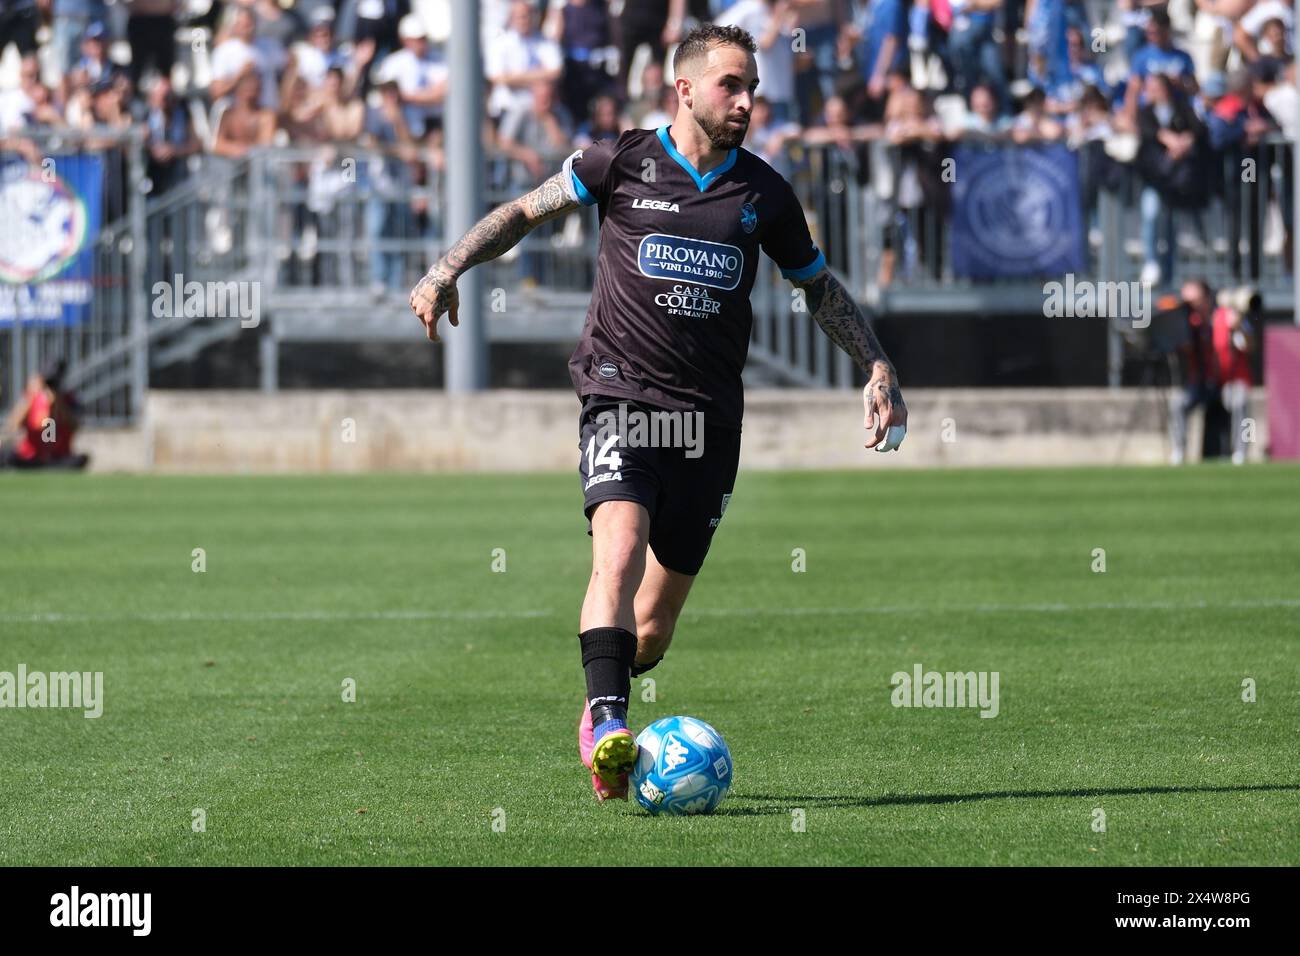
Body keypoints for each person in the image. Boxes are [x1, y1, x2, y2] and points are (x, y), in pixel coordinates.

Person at [408, 24, 908, 802]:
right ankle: (611, 724)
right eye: (730, 86)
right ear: (684, 89)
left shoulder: (764, 195)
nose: (746, 101)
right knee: (620, 544)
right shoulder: (621, 161)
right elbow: (522, 211)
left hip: (709, 421)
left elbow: (817, 287)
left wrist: (876, 364)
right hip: (621, 395)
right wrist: (447, 267)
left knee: (653, 630)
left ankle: (603, 689)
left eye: (752, 89)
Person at [1, 361, 90, 471]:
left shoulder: (69, 399)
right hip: (32, 456)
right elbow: (13, 424)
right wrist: (30, 396)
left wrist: (59, 404)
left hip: (58, 456)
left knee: (80, 460)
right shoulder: (32, 397)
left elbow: (75, 425)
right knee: (7, 456)